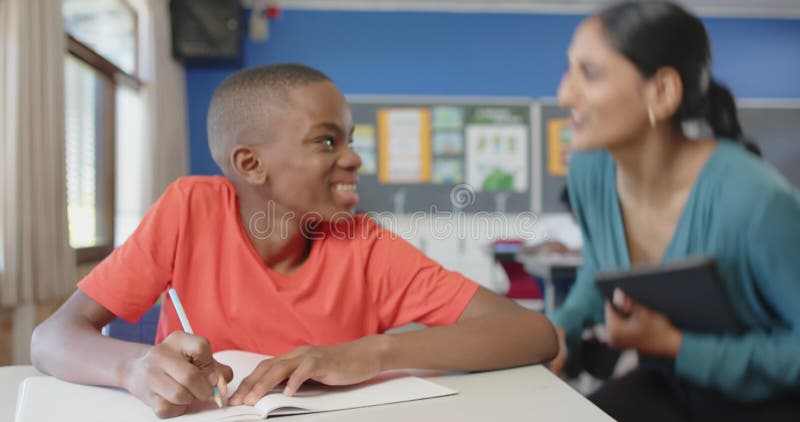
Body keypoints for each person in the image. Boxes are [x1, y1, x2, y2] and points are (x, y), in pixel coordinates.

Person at [30, 64, 558, 418]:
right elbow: (51, 338)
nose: (353, 158)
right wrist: (132, 367)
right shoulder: (190, 209)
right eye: (327, 140)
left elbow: (532, 333)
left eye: (351, 140)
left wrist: (371, 353)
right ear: (250, 164)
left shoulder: (364, 243)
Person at [548, 1, 800, 421]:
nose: (563, 93)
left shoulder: (753, 200)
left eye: (588, 73)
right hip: (672, 385)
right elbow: (599, 277)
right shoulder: (590, 172)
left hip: (769, 399)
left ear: (662, 92)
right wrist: (560, 328)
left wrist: (677, 345)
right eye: (569, 69)